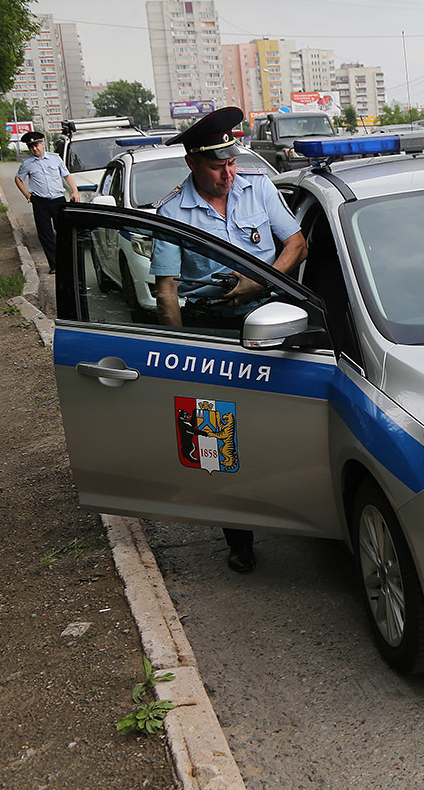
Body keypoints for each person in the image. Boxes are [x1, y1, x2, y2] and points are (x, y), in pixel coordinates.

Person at [150, 106, 308, 573]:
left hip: (272, 318)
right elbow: (167, 292)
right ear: (192, 164)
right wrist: (178, 354)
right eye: (217, 165)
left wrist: (262, 282)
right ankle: (238, 536)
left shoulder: (258, 187)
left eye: (232, 162)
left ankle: (300, 510)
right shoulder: (171, 212)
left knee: (281, 423)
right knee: (215, 437)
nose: (228, 173)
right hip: (213, 328)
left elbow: (297, 244)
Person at [13, 130, 79, 274]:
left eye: (36, 145)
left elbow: (67, 175)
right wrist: (27, 194)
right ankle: (54, 265)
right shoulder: (27, 163)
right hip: (40, 202)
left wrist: (75, 191)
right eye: (31, 147)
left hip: (58, 200)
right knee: (45, 234)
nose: (34, 148)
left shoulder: (55, 159)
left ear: (42, 144)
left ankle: (68, 262)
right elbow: (18, 178)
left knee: (63, 232)